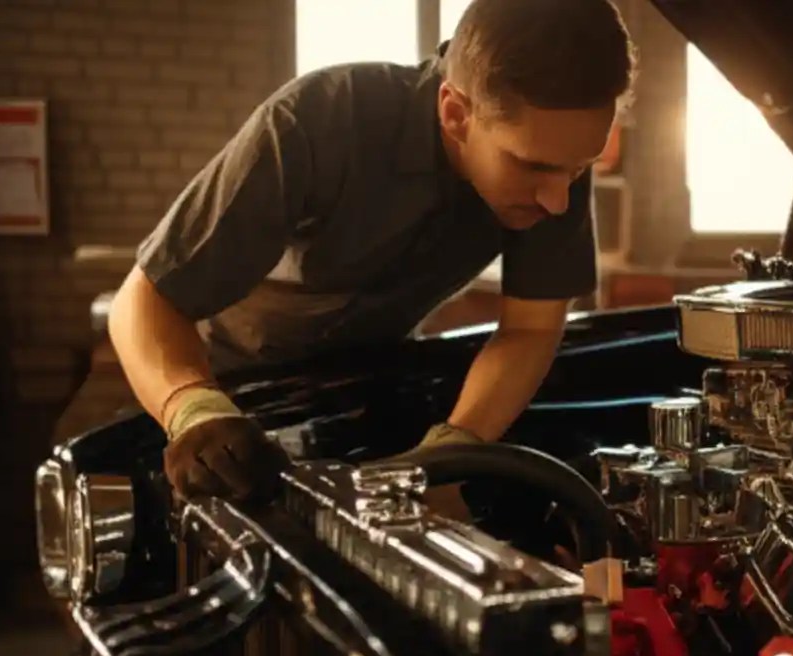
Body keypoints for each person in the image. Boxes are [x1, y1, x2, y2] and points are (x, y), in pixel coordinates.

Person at [103, 0, 636, 502]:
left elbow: (531, 328)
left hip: (364, 397)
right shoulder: (318, 121)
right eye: (534, 168)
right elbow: (145, 300)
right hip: (218, 394)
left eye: (579, 169)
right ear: (456, 114)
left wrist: (455, 447)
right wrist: (193, 410)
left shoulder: (553, 155)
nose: (559, 200)